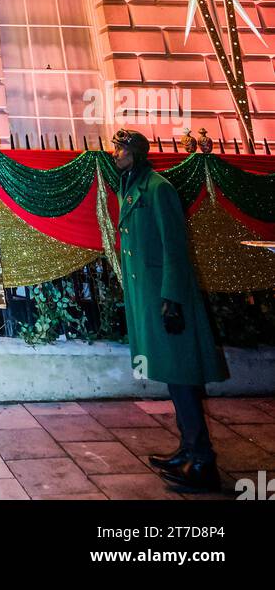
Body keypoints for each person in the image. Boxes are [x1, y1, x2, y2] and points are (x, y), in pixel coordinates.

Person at [113, 129, 228, 494]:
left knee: (182, 378)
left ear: (136, 153)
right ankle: (188, 450)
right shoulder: (131, 185)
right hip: (148, 296)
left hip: (165, 298)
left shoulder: (158, 189)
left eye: (121, 150)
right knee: (174, 379)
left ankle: (203, 461)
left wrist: (172, 298)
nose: (116, 155)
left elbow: (174, 246)